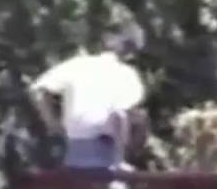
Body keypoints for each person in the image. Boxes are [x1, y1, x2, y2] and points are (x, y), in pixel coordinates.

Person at [30, 23, 148, 170]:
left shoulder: (77, 65)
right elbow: (122, 116)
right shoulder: (127, 75)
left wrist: (53, 124)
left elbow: (38, 91)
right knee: (134, 117)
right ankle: (119, 162)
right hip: (106, 153)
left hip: (73, 151)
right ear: (131, 52)